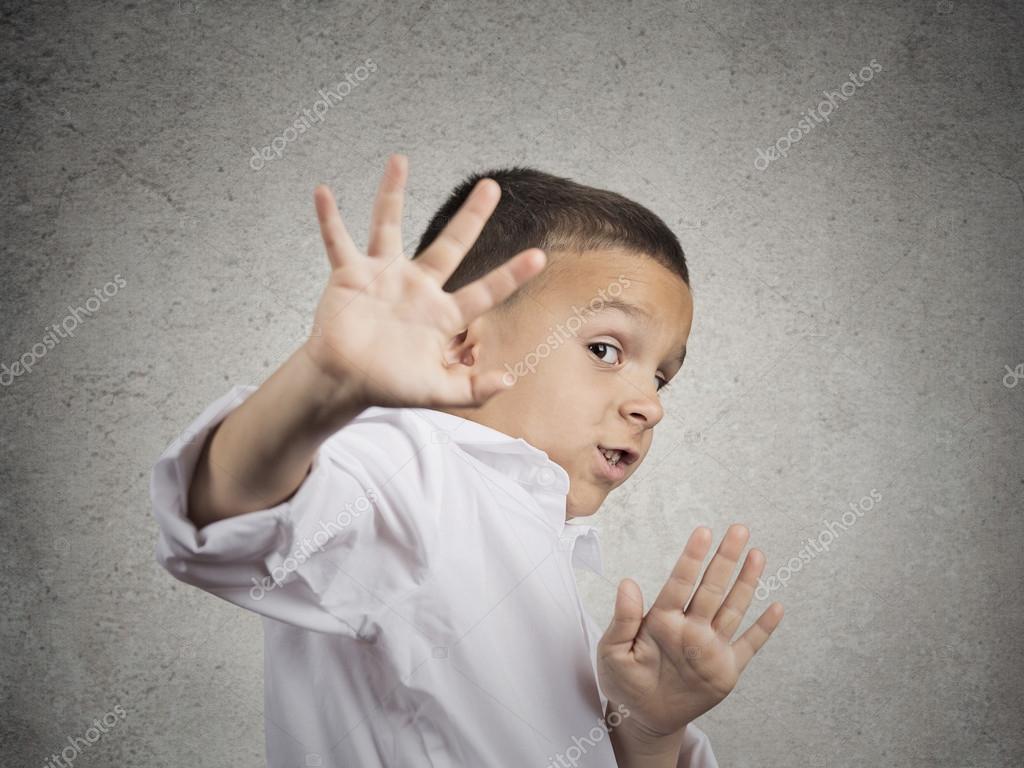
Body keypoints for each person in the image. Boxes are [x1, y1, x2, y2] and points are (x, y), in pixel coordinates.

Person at [150, 154, 784, 767]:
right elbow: (230, 513)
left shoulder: (573, 611)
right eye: (605, 350)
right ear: (461, 342)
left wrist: (649, 733)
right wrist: (321, 382)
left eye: (662, 377)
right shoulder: (414, 476)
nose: (650, 405)